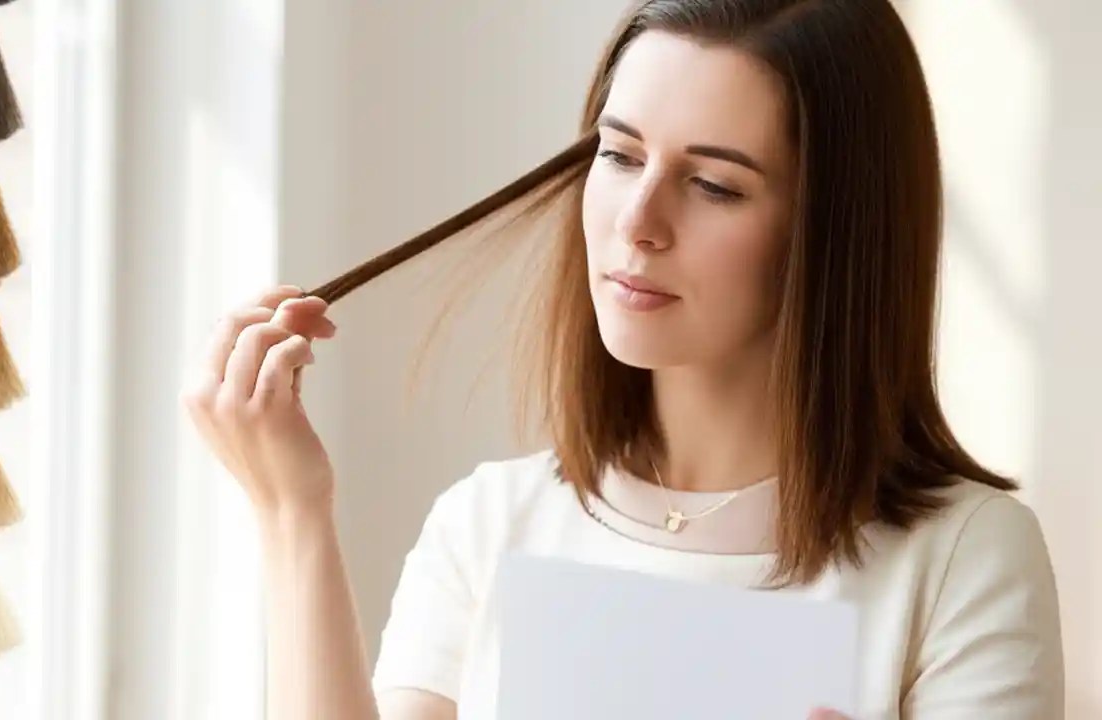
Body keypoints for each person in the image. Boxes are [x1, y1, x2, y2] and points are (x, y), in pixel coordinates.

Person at [182, 1, 1065, 718]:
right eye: (619, 154)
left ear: (837, 232)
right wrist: (292, 513)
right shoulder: (488, 524)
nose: (637, 221)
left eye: (713, 184)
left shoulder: (964, 558)